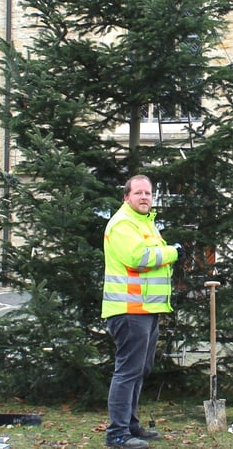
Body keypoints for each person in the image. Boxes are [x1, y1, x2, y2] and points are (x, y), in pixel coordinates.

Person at [101, 174, 181, 448]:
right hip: (128, 309)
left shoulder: (144, 224)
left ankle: (131, 427)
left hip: (146, 309)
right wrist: (172, 252)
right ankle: (117, 434)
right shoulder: (123, 223)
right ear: (127, 197)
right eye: (138, 193)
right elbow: (139, 258)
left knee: (139, 369)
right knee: (127, 371)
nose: (144, 197)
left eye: (148, 193)